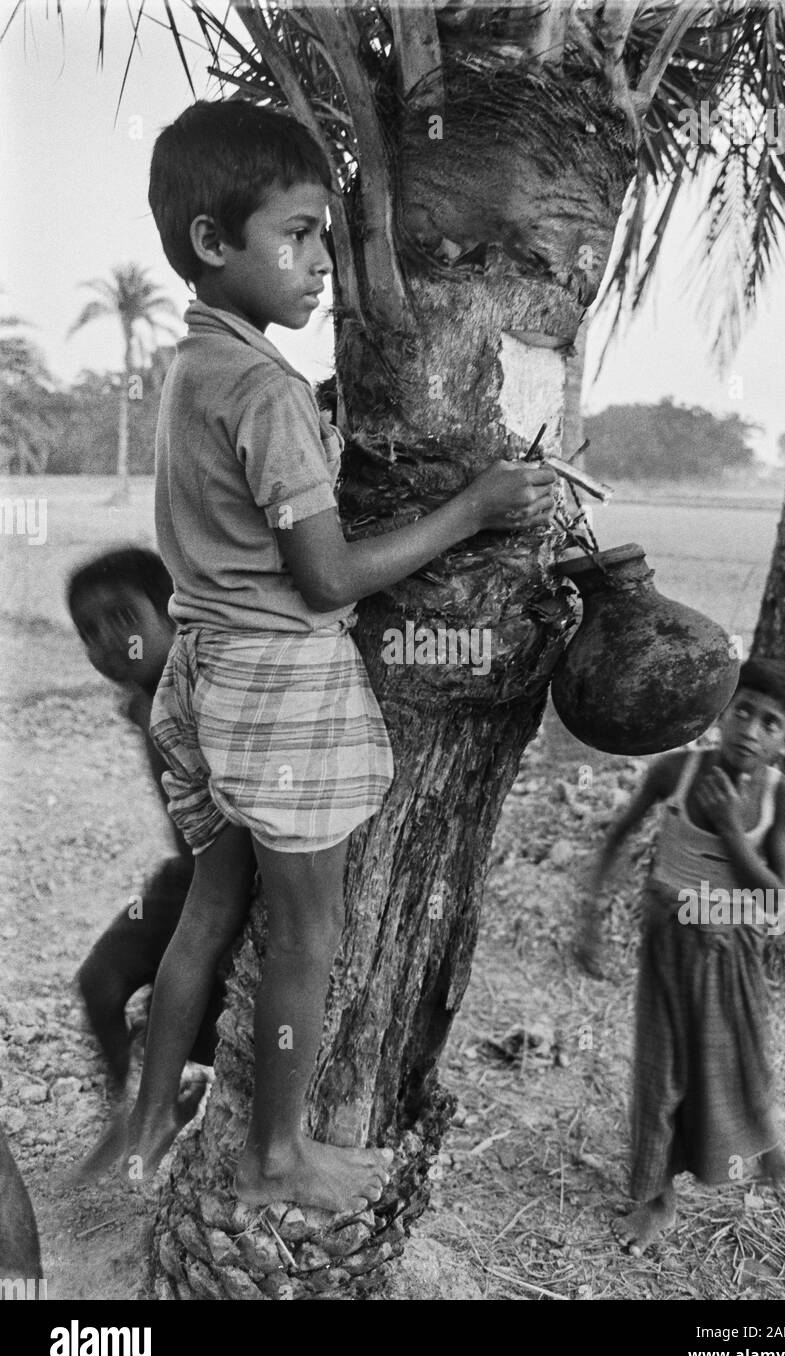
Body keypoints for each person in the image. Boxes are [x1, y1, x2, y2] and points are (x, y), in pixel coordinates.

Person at [78, 98, 556, 1214]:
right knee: (309, 927)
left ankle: (146, 1126)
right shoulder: (269, 391)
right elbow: (329, 578)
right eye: (296, 235)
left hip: (204, 671)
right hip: (281, 685)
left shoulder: (195, 365)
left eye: (325, 237)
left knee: (211, 902)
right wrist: (476, 507)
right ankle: (278, 1152)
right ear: (211, 241)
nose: (321, 264)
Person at [575, 658, 785, 1256]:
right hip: (667, 946)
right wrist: (591, 914)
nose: (751, 729)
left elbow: (776, 898)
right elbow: (619, 835)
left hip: (731, 949)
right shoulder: (676, 771)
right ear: (722, 712)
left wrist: (731, 828)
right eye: (743, 711)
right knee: (661, 1074)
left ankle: (760, 1139)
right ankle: (656, 1199)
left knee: (737, 1059)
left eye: (771, 722)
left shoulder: (782, 798)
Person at [67, 548, 245, 1101]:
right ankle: (123, 1111)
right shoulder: (144, 696)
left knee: (194, 1015)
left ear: (172, 611)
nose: (107, 643)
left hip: (230, 884)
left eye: (123, 618)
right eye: (89, 631)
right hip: (185, 876)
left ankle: (176, 1099)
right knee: (99, 982)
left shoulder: (202, 692)